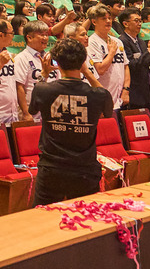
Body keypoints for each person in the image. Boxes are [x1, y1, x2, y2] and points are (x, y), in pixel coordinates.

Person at [29, 38, 112, 206]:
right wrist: (87, 72)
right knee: (86, 218)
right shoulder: (98, 95)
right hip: (84, 170)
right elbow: (108, 107)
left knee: (43, 218)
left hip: (52, 169)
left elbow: (32, 110)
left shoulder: (42, 89)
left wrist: (44, 74)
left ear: (57, 62)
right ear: (83, 61)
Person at [118, 8, 150, 109]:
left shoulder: (140, 41)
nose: (140, 24)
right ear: (125, 24)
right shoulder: (122, 41)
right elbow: (132, 65)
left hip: (145, 87)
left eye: (140, 21)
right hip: (132, 89)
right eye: (136, 21)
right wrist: (149, 51)